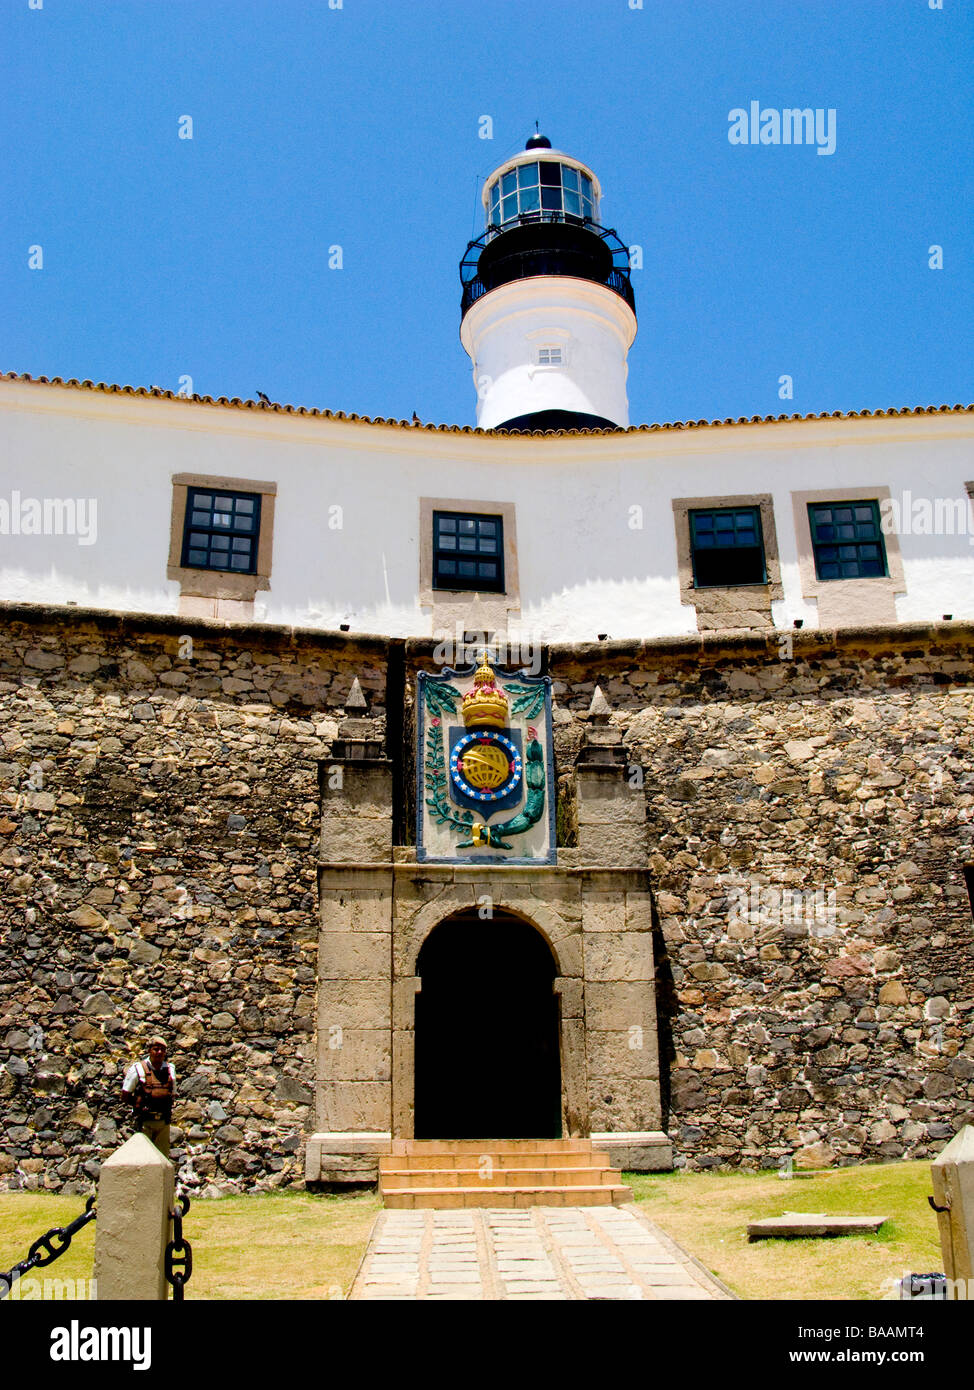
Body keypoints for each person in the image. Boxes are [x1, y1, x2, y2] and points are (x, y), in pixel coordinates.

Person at [121, 1037, 175, 1156]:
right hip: (144, 1122)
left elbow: (173, 1093)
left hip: (163, 1123)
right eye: (156, 1049)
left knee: (162, 1158)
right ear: (149, 1050)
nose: (159, 1052)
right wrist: (139, 1105)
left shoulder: (170, 1069)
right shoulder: (138, 1069)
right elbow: (125, 1095)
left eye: (162, 1050)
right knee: (143, 1157)